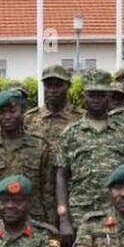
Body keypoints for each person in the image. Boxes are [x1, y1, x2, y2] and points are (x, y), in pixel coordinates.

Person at [55, 69, 124, 247]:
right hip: (80, 215)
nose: (97, 100)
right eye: (92, 95)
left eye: (102, 95)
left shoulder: (123, 133)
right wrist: (63, 219)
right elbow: (61, 175)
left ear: (109, 97)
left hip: (115, 213)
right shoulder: (70, 133)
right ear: (84, 96)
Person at [0, 88, 52, 227]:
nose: (7, 117)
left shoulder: (40, 146)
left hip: (33, 224)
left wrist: (50, 227)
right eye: (1, 112)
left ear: (22, 112)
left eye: (12, 111)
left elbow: (48, 193)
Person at [25, 64, 81, 219]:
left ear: (68, 86)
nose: (52, 90)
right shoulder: (29, 119)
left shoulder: (80, 118)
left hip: (71, 193)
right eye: (48, 85)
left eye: (58, 85)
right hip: (38, 195)